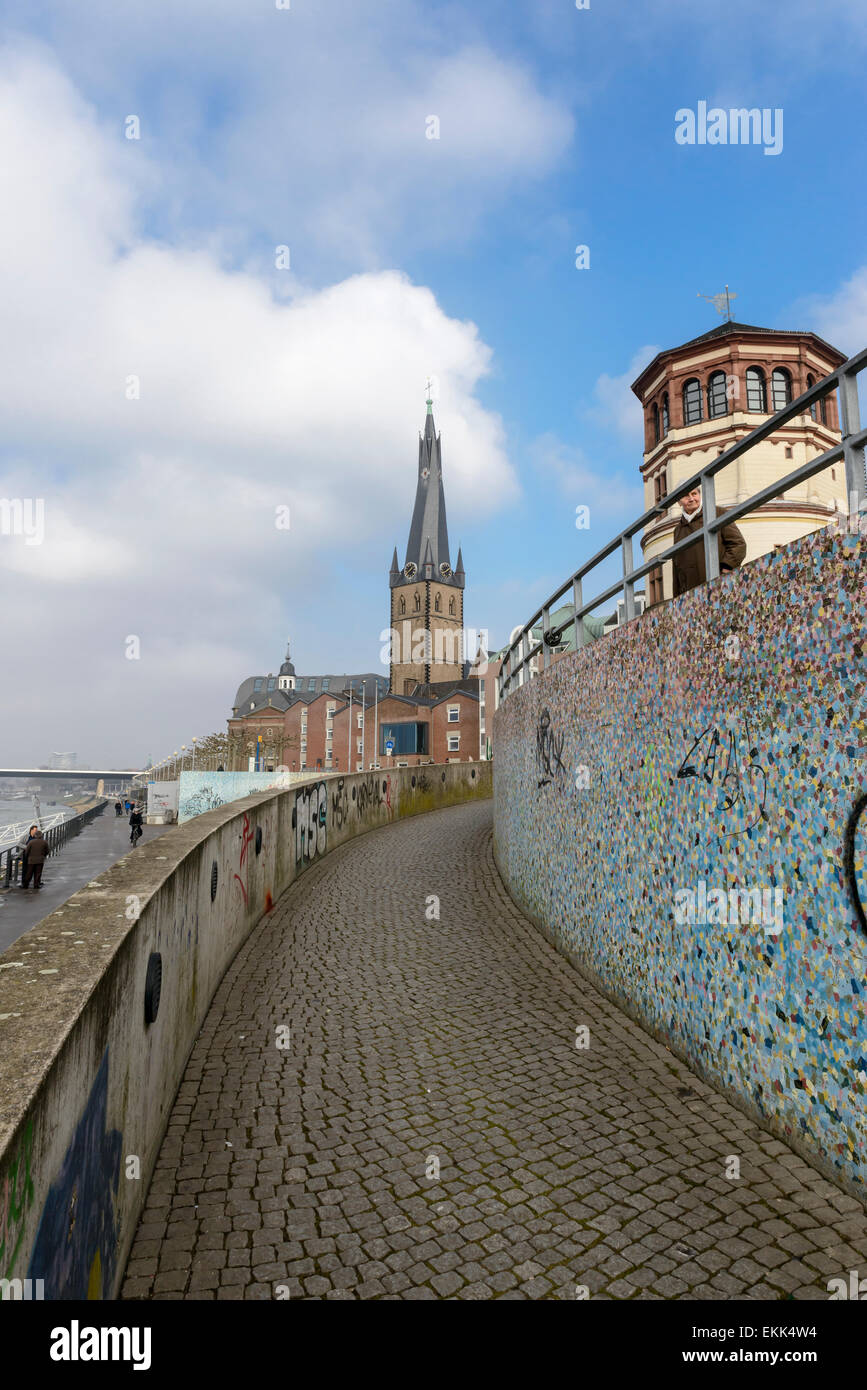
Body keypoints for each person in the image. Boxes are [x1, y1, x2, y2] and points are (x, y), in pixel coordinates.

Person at [672, 486, 747, 598]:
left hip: (719, 586)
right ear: (679, 502)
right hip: (690, 596)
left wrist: (726, 570)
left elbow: (738, 544)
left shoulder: (717, 513)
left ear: (699, 495)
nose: (691, 499)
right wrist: (677, 598)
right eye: (686, 496)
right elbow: (676, 567)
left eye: (694, 494)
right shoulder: (678, 530)